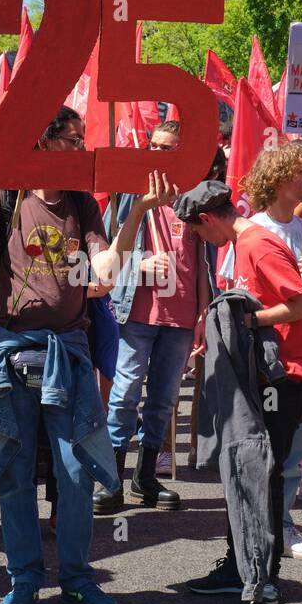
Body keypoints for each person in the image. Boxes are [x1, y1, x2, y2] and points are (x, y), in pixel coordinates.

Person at [0, 106, 173, 604]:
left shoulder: (81, 204)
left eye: (82, 138)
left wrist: (138, 213)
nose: (80, 147)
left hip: (67, 353)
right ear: (43, 144)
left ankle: (76, 578)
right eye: (72, 139)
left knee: (74, 472)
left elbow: (105, 272)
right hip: (9, 352)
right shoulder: (2, 198)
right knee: (16, 474)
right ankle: (23, 580)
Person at [182, 178, 302, 604]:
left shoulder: (258, 245)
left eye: (196, 230)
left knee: (263, 473)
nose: (198, 239)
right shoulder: (238, 245)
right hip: (261, 377)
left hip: (284, 378)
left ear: (208, 219)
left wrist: (247, 324)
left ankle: (264, 576)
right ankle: (241, 566)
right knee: (246, 470)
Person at [218, 142, 302, 559]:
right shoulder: (255, 230)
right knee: (266, 452)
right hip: (265, 361)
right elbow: (234, 293)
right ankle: (263, 536)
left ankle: (282, 526)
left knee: (290, 452)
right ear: (281, 180)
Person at [95, 120, 207, 515]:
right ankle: (111, 480)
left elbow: (201, 259)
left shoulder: (193, 196)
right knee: (125, 394)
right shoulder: (130, 194)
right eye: (154, 147)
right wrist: (139, 265)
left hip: (180, 315)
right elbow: (106, 253)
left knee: (162, 401)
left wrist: (203, 312)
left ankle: (145, 478)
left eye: (169, 148)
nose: (159, 155)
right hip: (137, 312)